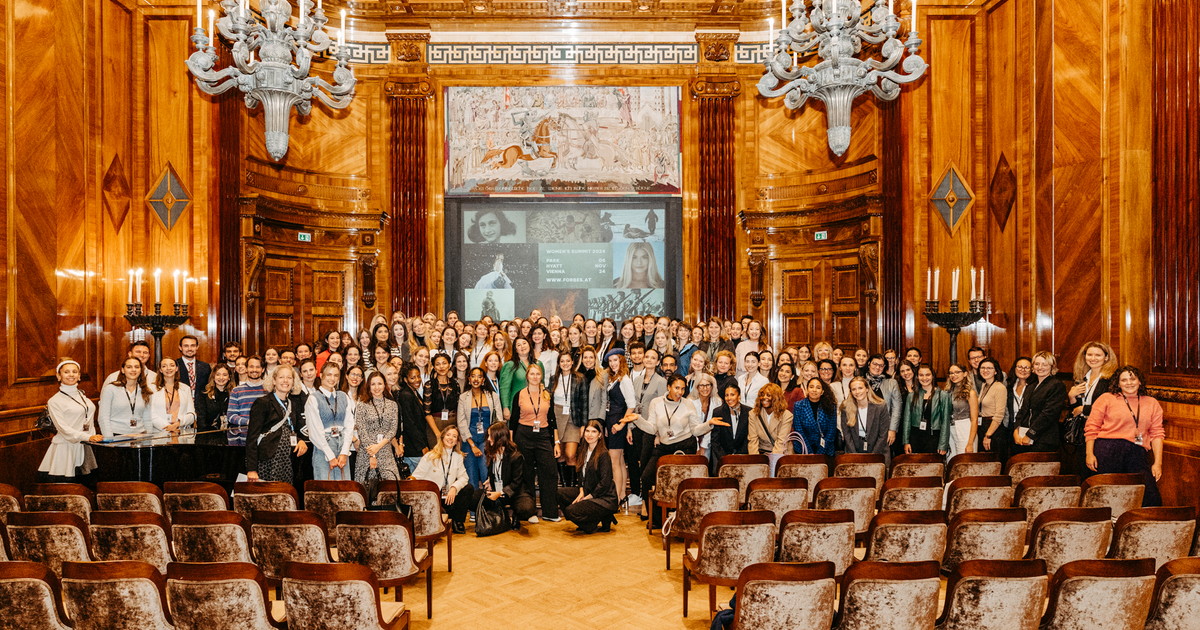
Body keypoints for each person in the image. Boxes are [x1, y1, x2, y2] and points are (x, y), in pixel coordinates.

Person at [1084, 365, 1164, 505]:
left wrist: (1158, 463)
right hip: (1107, 450)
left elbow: (1157, 434)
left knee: (1149, 496)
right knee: (1107, 495)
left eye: (1132, 379)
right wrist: (1089, 454)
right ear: (1118, 383)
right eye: (1124, 380)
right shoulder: (1107, 398)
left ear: (1139, 381)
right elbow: (1092, 428)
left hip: (1137, 452)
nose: (1129, 383)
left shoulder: (1152, 403)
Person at [510, 363, 562, 522]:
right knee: (526, 474)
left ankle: (550, 512)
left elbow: (552, 420)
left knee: (550, 472)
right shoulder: (519, 395)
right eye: (531, 374)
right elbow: (513, 421)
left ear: (541, 376)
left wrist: (557, 442)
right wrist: (511, 442)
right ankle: (529, 512)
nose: (534, 377)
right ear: (527, 376)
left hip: (543, 435)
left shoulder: (547, 394)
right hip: (523, 435)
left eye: (537, 374)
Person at [39, 359, 103, 482]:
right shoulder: (55, 401)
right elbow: (64, 429)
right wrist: (87, 437)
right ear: (58, 376)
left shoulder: (82, 395)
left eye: (75, 372)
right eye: (66, 372)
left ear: (79, 376)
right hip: (65, 448)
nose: (71, 375)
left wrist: (92, 437)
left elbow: (88, 420)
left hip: (85, 446)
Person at [245, 365, 309, 483]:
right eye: (281, 377)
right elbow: (252, 438)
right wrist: (252, 469)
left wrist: (300, 440)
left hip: (287, 460)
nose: (285, 381)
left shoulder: (293, 404)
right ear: (274, 381)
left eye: (289, 378)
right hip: (268, 460)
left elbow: (290, 430)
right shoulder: (262, 403)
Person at [593, 349, 639, 507]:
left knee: (614, 461)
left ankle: (617, 498)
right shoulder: (615, 378)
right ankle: (620, 494)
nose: (613, 363)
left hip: (618, 422)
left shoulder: (625, 379)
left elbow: (632, 405)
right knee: (619, 460)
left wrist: (621, 424)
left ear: (621, 361)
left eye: (615, 360)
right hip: (612, 421)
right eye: (610, 361)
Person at [1065, 341, 1118, 476]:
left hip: (1102, 431)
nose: (1093, 358)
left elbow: (1113, 406)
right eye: (1089, 354)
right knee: (1080, 472)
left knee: (1096, 472)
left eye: (1098, 355)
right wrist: (1071, 397)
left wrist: (1085, 409)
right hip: (1082, 430)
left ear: (1106, 357)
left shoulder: (1112, 379)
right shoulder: (1083, 378)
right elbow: (1075, 409)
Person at [558, 420, 619, 533]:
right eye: (587, 431)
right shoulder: (583, 450)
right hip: (587, 491)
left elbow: (605, 482)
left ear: (600, 435)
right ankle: (592, 521)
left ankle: (591, 524)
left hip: (603, 498)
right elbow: (580, 475)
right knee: (560, 493)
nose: (589, 435)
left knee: (571, 511)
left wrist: (587, 497)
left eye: (594, 432)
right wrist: (581, 491)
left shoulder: (603, 454)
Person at [413, 425, 476, 533]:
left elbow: (464, 477)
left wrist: (454, 488)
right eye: (448, 435)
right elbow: (416, 476)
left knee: (468, 488)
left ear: (457, 441)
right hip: (433, 497)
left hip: (449, 496)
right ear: (442, 437)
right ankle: (442, 520)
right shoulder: (430, 456)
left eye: (454, 436)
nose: (451, 438)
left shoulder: (458, 457)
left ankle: (457, 522)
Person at [305, 362, 355, 481]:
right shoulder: (313, 398)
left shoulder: (343, 396)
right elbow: (315, 432)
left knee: (344, 490)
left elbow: (349, 426)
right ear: (321, 375)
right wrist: (330, 456)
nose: (332, 379)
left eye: (336, 375)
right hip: (323, 448)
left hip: (342, 446)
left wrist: (344, 452)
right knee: (325, 491)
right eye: (329, 375)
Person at [1012, 351, 1068, 454]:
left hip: (1044, 440)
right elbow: (1023, 410)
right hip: (1023, 438)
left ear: (1052, 367)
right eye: (1037, 364)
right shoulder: (1031, 386)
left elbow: (1048, 414)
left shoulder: (1056, 385)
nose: (1040, 367)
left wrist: (1030, 434)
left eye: (1044, 364)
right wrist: (1016, 430)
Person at [483, 422, 536, 525]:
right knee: (474, 498)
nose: (488, 439)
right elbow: (493, 473)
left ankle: (516, 515)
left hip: (515, 493)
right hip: (497, 490)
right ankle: (503, 516)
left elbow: (516, 482)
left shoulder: (515, 456)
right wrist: (489, 480)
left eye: (490, 436)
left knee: (526, 508)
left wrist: (500, 493)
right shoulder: (490, 452)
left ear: (499, 437)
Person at [458, 367, 502, 490]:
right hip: (469, 441)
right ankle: (473, 509)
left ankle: (491, 507)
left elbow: (499, 419)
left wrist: (495, 440)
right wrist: (472, 445)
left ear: (483, 380)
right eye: (473, 376)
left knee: (486, 474)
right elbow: (461, 422)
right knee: (471, 478)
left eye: (479, 376)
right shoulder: (463, 397)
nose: (476, 379)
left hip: (488, 440)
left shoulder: (493, 396)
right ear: (469, 379)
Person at [549, 353, 589, 485]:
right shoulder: (553, 379)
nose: (565, 363)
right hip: (557, 416)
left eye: (568, 361)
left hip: (574, 418)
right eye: (562, 361)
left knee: (571, 454)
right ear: (559, 363)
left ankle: (573, 486)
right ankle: (565, 487)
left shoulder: (580, 378)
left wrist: (583, 425)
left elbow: (584, 402)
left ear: (572, 362)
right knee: (559, 455)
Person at [353, 372, 400, 485]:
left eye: (379, 383)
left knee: (392, 488)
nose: (376, 387)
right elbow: (362, 432)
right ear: (368, 386)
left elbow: (393, 430)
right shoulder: (362, 405)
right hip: (366, 453)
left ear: (384, 385)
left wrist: (378, 447)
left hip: (386, 452)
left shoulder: (392, 405)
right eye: (373, 384)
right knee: (368, 491)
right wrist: (372, 455)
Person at [98, 357, 153, 437]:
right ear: (123, 370)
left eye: (137, 367)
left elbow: (147, 418)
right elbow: (103, 417)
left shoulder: (145, 391)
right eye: (129, 367)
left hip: (140, 437)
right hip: (117, 437)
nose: (133, 370)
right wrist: (109, 439)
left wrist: (149, 438)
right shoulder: (110, 389)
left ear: (141, 370)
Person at [902, 365, 951, 456]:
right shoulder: (912, 396)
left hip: (934, 438)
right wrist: (906, 442)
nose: (924, 378)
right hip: (915, 438)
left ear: (933, 376)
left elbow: (945, 421)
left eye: (927, 375)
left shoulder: (942, 395)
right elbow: (907, 420)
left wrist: (943, 445)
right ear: (917, 377)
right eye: (921, 375)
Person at [839, 376, 890, 456]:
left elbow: (883, 435)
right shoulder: (845, 408)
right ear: (851, 392)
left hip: (878, 451)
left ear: (867, 389)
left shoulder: (880, 406)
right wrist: (855, 455)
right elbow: (847, 435)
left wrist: (873, 456)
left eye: (860, 388)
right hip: (854, 450)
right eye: (854, 389)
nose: (857, 392)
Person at [709, 382, 752, 472]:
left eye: (732, 395)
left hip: (743, 458)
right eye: (726, 395)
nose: (729, 398)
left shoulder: (749, 412)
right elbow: (715, 440)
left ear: (739, 396)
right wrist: (725, 458)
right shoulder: (718, 412)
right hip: (723, 458)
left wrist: (739, 456)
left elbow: (749, 437)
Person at [396, 365, 431, 474]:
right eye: (412, 378)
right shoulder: (406, 395)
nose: (417, 380)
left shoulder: (414, 393)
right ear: (406, 379)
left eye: (418, 376)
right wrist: (422, 446)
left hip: (416, 446)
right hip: (413, 448)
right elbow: (409, 424)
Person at [791, 378, 838, 457]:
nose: (814, 390)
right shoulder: (798, 406)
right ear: (807, 389)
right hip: (804, 448)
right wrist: (810, 452)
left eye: (818, 388)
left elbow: (831, 431)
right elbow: (799, 430)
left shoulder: (830, 406)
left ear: (822, 391)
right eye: (811, 387)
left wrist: (820, 452)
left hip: (825, 450)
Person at [226, 356, 267, 446]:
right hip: (243, 441)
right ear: (246, 369)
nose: (254, 370)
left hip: (266, 441)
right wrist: (249, 422)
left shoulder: (270, 390)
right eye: (251, 367)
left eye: (258, 367)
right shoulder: (236, 391)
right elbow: (231, 416)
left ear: (263, 369)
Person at [424, 353, 461, 448]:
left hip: (452, 423)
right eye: (438, 364)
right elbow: (427, 413)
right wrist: (437, 433)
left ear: (449, 365)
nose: (441, 366)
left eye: (444, 363)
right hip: (435, 424)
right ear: (434, 367)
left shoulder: (455, 384)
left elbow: (458, 408)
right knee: (437, 456)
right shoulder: (429, 385)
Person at [977, 358, 1011, 460]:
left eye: (989, 368)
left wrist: (988, 436)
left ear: (996, 371)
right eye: (982, 367)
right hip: (983, 426)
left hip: (994, 430)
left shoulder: (999, 387)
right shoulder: (985, 385)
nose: (985, 370)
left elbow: (999, 414)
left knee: (994, 462)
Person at [150, 358, 196, 432]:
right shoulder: (152, 389)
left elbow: (192, 414)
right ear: (160, 370)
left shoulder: (185, 388)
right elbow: (150, 413)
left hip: (181, 432)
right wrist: (168, 427)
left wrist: (178, 424)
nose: (168, 368)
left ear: (176, 368)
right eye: (164, 366)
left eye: (172, 365)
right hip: (160, 433)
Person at [945, 363, 980, 458]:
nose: (953, 375)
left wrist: (970, 443)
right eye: (951, 373)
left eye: (957, 372)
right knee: (951, 461)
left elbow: (974, 420)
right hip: (950, 428)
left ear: (965, 374)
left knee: (964, 461)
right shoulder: (948, 391)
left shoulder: (970, 393)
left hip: (965, 428)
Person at [747, 383, 793, 455]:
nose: (764, 397)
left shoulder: (787, 415)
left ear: (776, 398)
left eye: (768, 395)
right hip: (761, 452)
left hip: (781, 453)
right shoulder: (753, 414)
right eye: (762, 395)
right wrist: (755, 460)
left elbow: (781, 442)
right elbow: (753, 440)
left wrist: (773, 460)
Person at [196, 364, 233, 432]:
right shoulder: (204, 394)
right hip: (208, 435)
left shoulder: (234, 394)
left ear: (229, 377)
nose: (221, 378)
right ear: (213, 376)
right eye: (218, 374)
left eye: (224, 375)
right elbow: (201, 420)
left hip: (229, 435)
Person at [176, 335, 210, 401]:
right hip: (180, 405)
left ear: (197, 347)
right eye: (186, 346)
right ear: (180, 347)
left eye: (193, 345)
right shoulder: (174, 365)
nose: (190, 349)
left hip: (201, 407)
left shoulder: (205, 367)